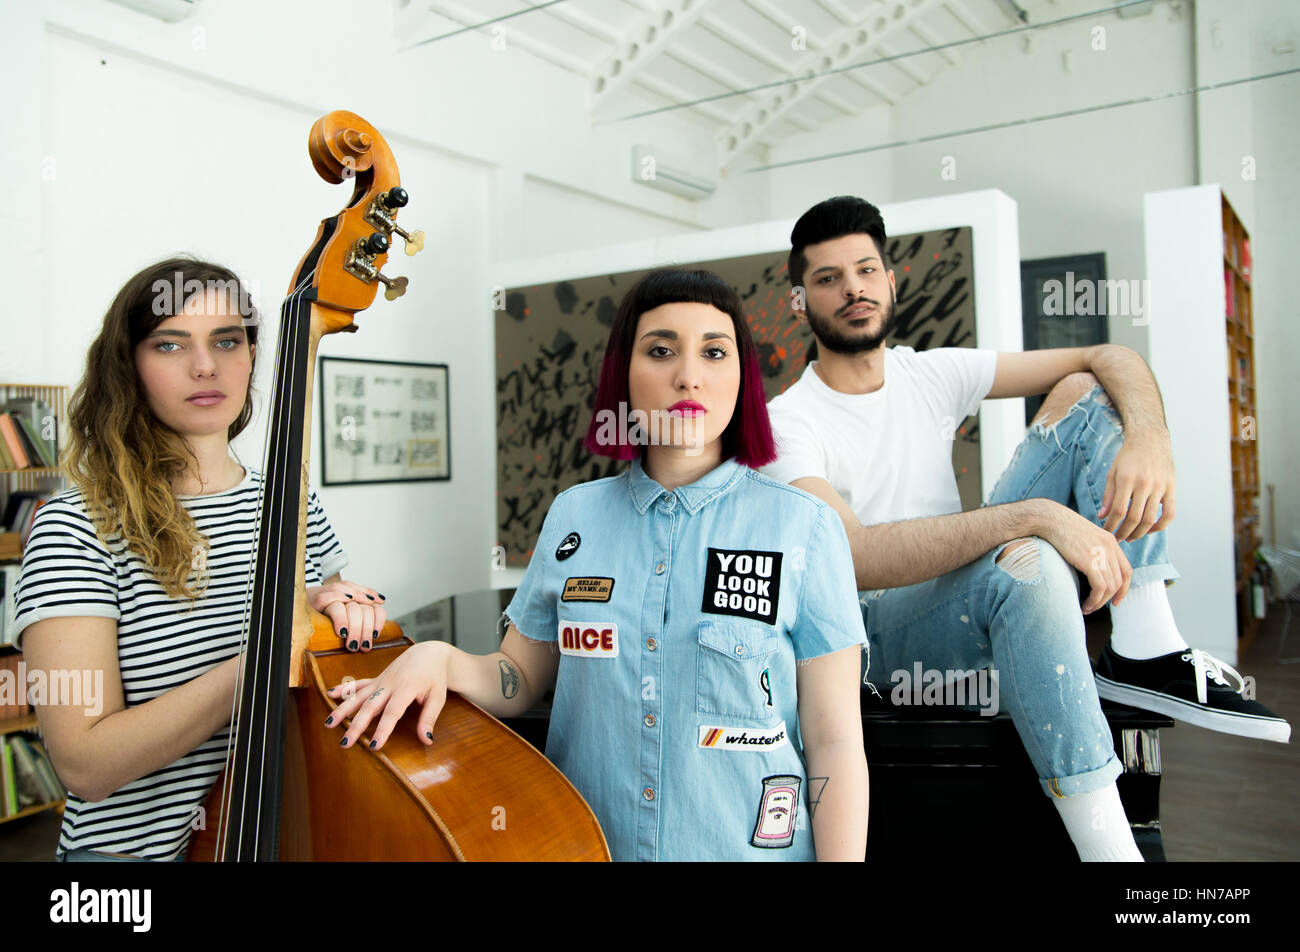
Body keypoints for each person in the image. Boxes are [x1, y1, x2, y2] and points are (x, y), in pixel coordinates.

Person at [760, 196, 1290, 862]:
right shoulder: (787, 421)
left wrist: (1150, 437)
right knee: (1028, 559)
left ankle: (1147, 644)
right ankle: (1115, 859)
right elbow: (857, 557)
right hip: (872, 636)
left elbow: (1108, 355)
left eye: (866, 269)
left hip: (956, 590)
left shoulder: (930, 373)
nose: (853, 289)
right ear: (800, 301)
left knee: (1087, 394)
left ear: (890, 281)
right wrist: (1037, 515)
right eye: (828, 278)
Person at [325, 268, 868, 861]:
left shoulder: (804, 527)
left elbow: (834, 742)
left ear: (743, 377)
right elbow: (521, 678)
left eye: (715, 352)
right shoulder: (573, 517)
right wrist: (435, 657)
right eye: (661, 350)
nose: (688, 375)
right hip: (584, 848)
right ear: (624, 374)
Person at [13, 257, 386, 861]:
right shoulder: (77, 523)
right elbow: (84, 765)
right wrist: (265, 655)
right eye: (170, 344)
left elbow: (315, 690)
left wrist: (342, 629)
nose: (206, 365)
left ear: (251, 353)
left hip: (282, 838)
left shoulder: (291, 500)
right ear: (129, 366)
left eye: (226, 340)